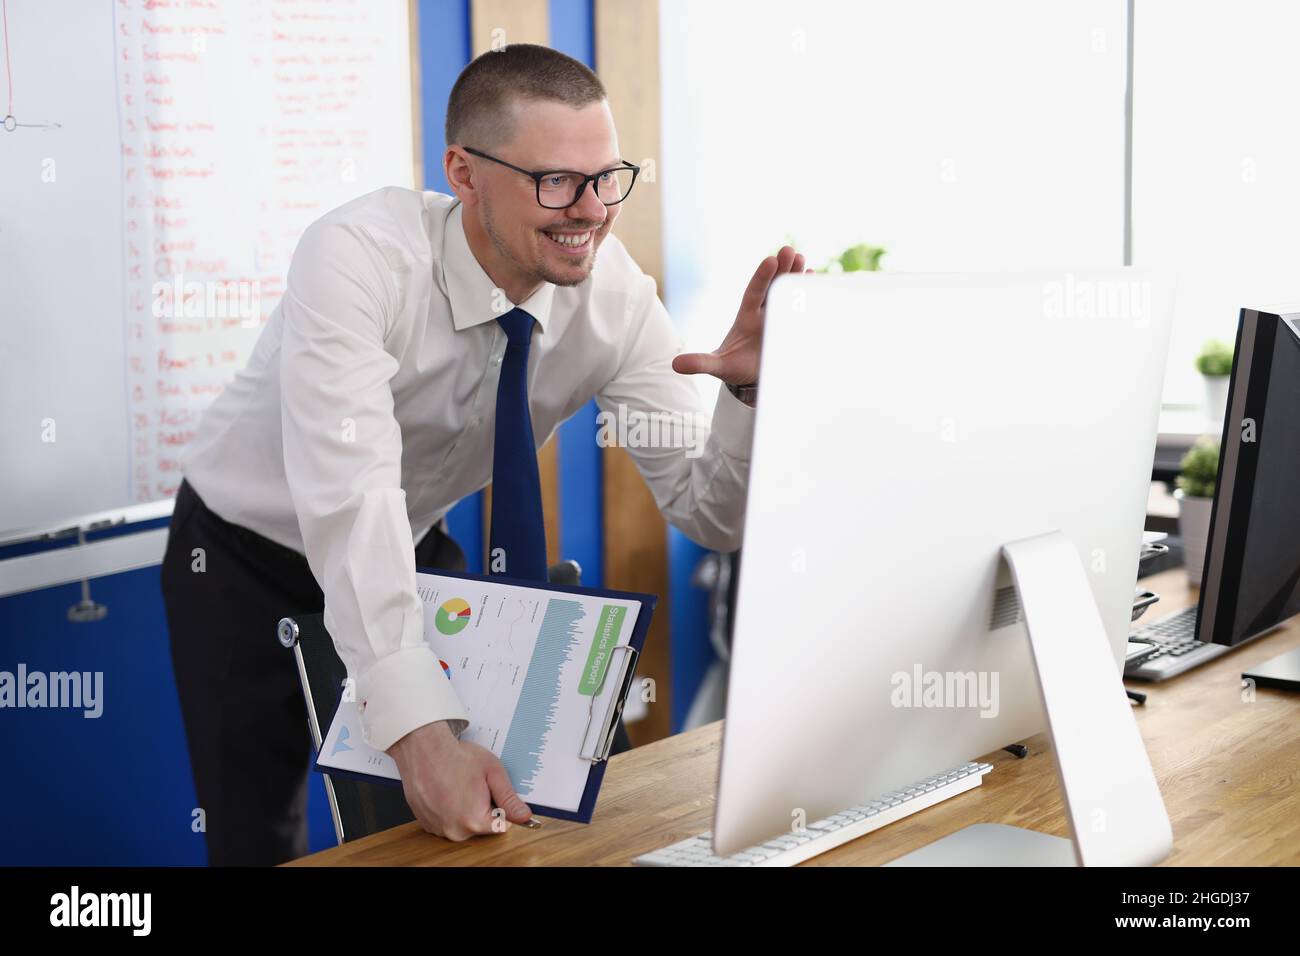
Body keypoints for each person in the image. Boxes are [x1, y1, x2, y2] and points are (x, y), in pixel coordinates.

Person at [160, 43, 808, 865]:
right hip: (243, 555)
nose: (591, 210)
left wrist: (749, 397)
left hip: (413, 539)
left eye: (607, 177)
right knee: (260, 836)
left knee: (458, 821)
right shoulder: (357, 259)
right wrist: (422, 739)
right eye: (555, 181)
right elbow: (352, 499)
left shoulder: (615, 301)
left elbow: (708, 511)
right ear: (463, 173)